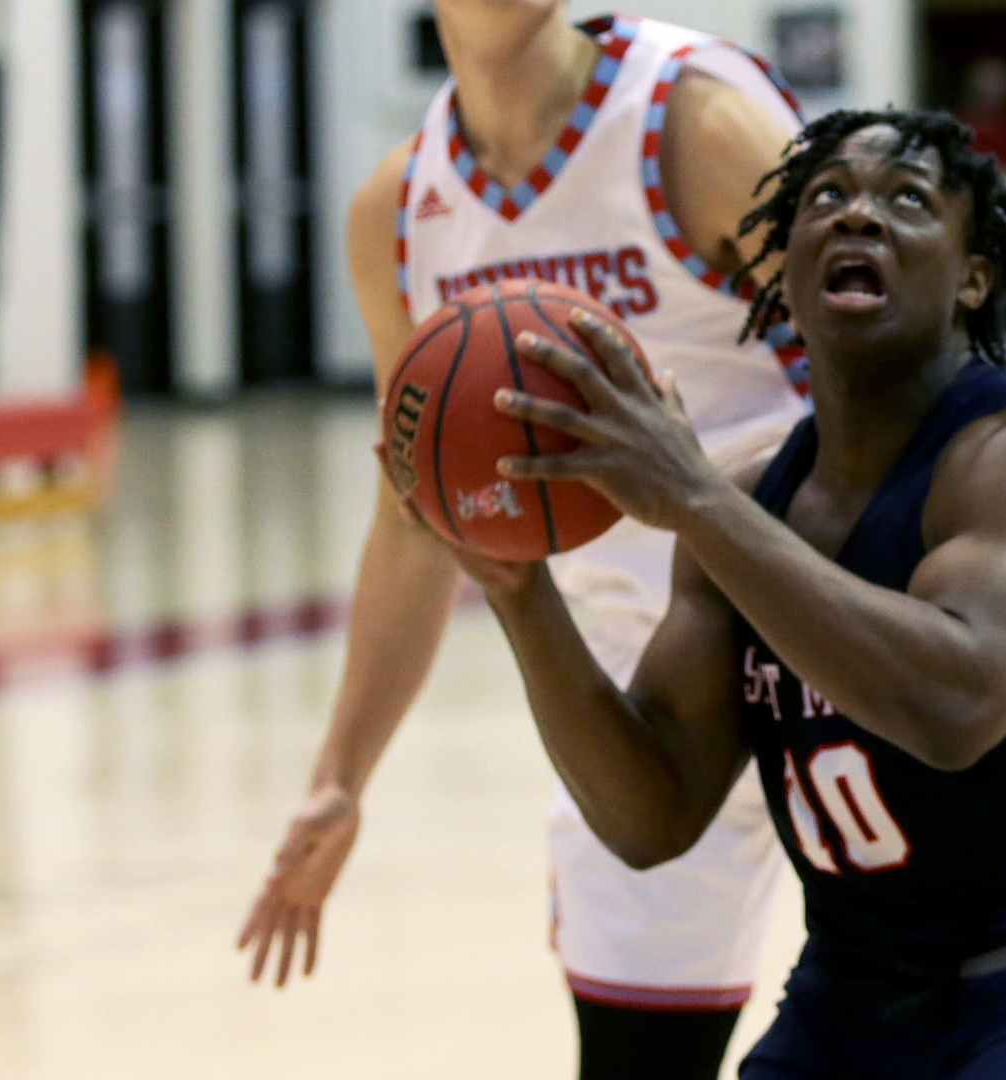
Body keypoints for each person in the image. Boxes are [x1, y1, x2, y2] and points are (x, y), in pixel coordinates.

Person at [433, 109, 1006, 1078]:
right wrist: (521, 592)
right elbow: (651, 816)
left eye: (906, 200)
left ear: (972, 277)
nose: (859, 216)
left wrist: (694, 502)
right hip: (859, 999)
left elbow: (956, 706)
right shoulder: (743, 503)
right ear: (782, 269)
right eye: (827, 198)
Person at [234, 4, 811, 1078]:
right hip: (648, 700)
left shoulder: (695, 125)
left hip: (831, 647)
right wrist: (341, 775)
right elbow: (412, 524)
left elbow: (899, 389)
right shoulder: (400, 212)